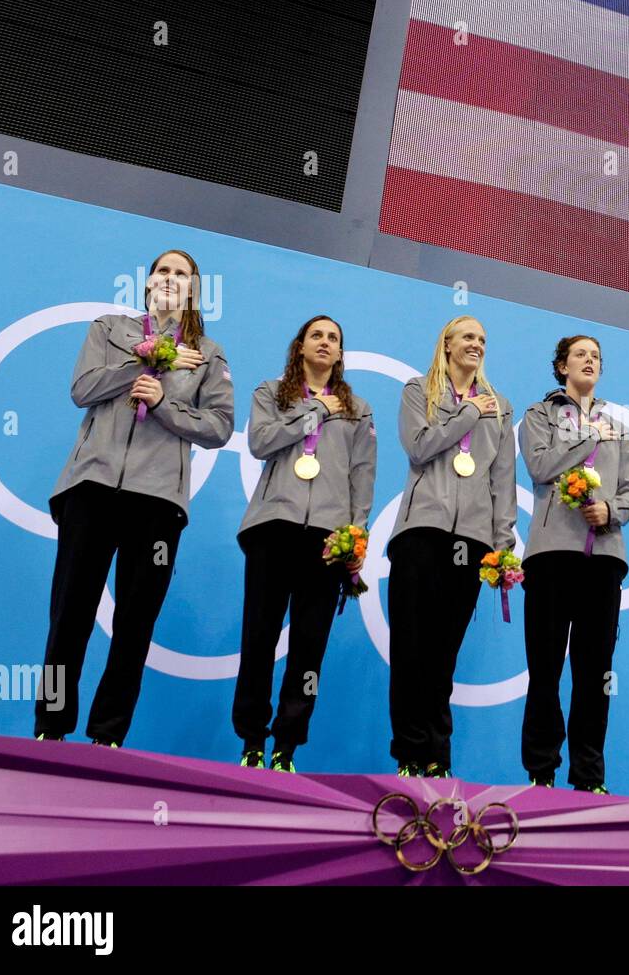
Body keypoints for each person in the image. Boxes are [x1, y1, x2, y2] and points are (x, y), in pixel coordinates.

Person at [35, 249, 234, 746]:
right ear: (147, 284)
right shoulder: (110, 329)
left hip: (157, 502)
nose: (170, 279)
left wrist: (166, 403)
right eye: (162, 271)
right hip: (93, 489)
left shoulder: (209, 354)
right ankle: (50, 729)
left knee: (134, 624)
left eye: (181, 274)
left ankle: (107, 737)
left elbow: (220, 427)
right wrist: (152, 358)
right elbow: (84, 388)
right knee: (69, 616)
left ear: (193, 289)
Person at [231, 316, 376, 772]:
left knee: (310, 647)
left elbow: (362, 475)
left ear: (340, 353)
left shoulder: (359, 408)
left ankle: (286, 747)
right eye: (317, 335)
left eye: (334, 338)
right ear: (300, 347)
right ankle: (253, 741)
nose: (326, 343)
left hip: (328, 540)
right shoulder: (270, 393)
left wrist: (356, 533)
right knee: (259, 636)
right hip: (274, 526)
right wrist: (315, 412)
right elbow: (260, 441)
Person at [386, 316, 517, 778]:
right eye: (468, 337)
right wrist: (466, 414)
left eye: (483, 339)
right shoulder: (418, 389)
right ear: (446, 344)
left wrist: (503, 547)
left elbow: (503, 480)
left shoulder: (501, 406)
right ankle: (408, 754)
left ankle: (437, 758)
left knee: (444, 653)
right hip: (421, 532)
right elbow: (418, 446)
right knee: (410, 647)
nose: (476, 344)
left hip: (472, 541)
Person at [519, 335, 629, 793]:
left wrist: (611, 510)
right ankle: (541, 772)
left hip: (604, 559)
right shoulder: (538, 415)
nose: (590, 361)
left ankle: (589, 777)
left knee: (594, 672)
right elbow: (539, 466)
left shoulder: (619, 426)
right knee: (546, 666)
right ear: (561, 366)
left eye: (596, 357)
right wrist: (590, 436)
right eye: (581, 355)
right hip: (551, 555)